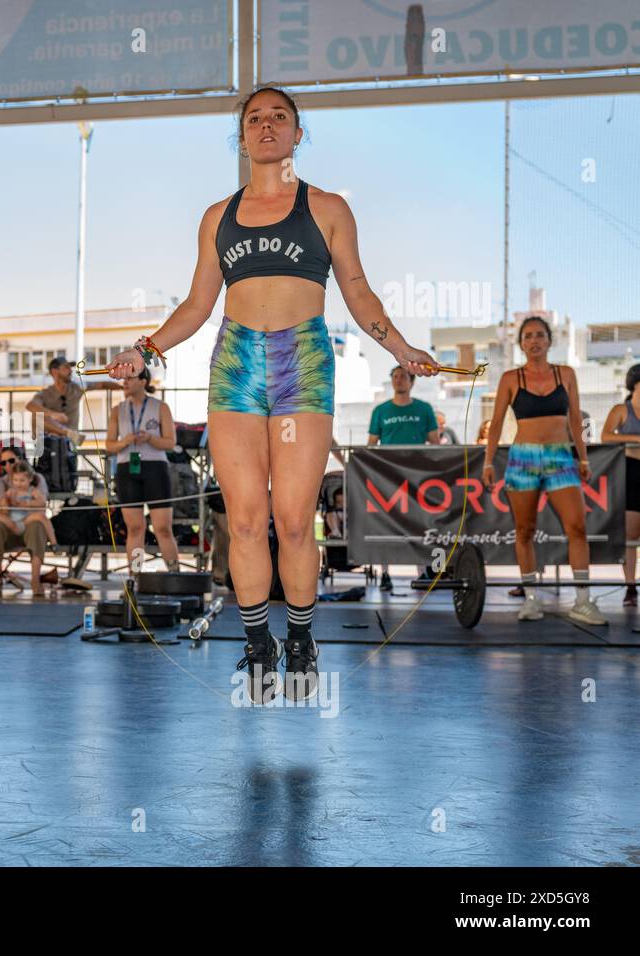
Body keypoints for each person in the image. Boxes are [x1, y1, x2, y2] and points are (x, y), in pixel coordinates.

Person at [105, 86, 437, 702]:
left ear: (297, 133)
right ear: (242, 136)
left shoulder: (329, 207)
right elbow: (198, 303)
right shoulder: (217, 216)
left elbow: (359, 292)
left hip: (301, 361)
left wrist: (400, 348)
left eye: (278, 117)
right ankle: (258, 645)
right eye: (254, 118)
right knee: (248, 520)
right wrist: (146, 349)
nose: (266, 125)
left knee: (292, 515)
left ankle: (302, 640)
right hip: (235, 362)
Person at [483, 315, 603, 625]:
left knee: (576, 527)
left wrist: (583, 458)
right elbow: (495, 423)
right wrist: (487, 461)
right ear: (521, 344)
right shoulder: (511, 378)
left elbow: (575, 418)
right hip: (523, 458)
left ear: (550, 341)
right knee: (524, 530)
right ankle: (531, 599)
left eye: (539, 335)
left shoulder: (566, 374)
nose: (534, 340)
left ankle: (583, 600)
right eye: (527, 336)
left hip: (561, 457)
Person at [105, 368, 179, 571]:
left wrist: (150, 439)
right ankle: (135, 574)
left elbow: (171, 442)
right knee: (135, 528)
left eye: (130, 378)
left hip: (155, 467)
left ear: (143, 381)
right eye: (124, 379)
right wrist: (125, 441)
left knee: (163, 527)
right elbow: (109, 445)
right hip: (127, 468)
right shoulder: (118, 409)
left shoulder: (160, 406)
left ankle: (174, 573)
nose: (125, 382)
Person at [601, 363, 640, 605]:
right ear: (635, 383)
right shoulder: (621, 410)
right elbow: (606, 436)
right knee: (631, 535)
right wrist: (636, 438)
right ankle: (630, 586)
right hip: (631, 472)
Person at [367, 367, 440, 446]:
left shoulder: (425, 408)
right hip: (388, 458)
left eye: (403, 377)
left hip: (417, 457)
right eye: (395, 377)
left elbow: (435, 442)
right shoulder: (379, 410)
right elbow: (371, 444)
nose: (398, 380)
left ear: (411, 382)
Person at [0, 461, 55, 544]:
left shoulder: (33, 491)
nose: (19, 484)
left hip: (27, 520)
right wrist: (9, 500)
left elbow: (42, 503)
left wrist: (27, 503)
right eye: (16, 480)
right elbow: (4, 505)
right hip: (12, 522)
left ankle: (53, 542)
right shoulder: (11, 491)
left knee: (41, 517)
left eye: (22, 480)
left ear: (30, 479)